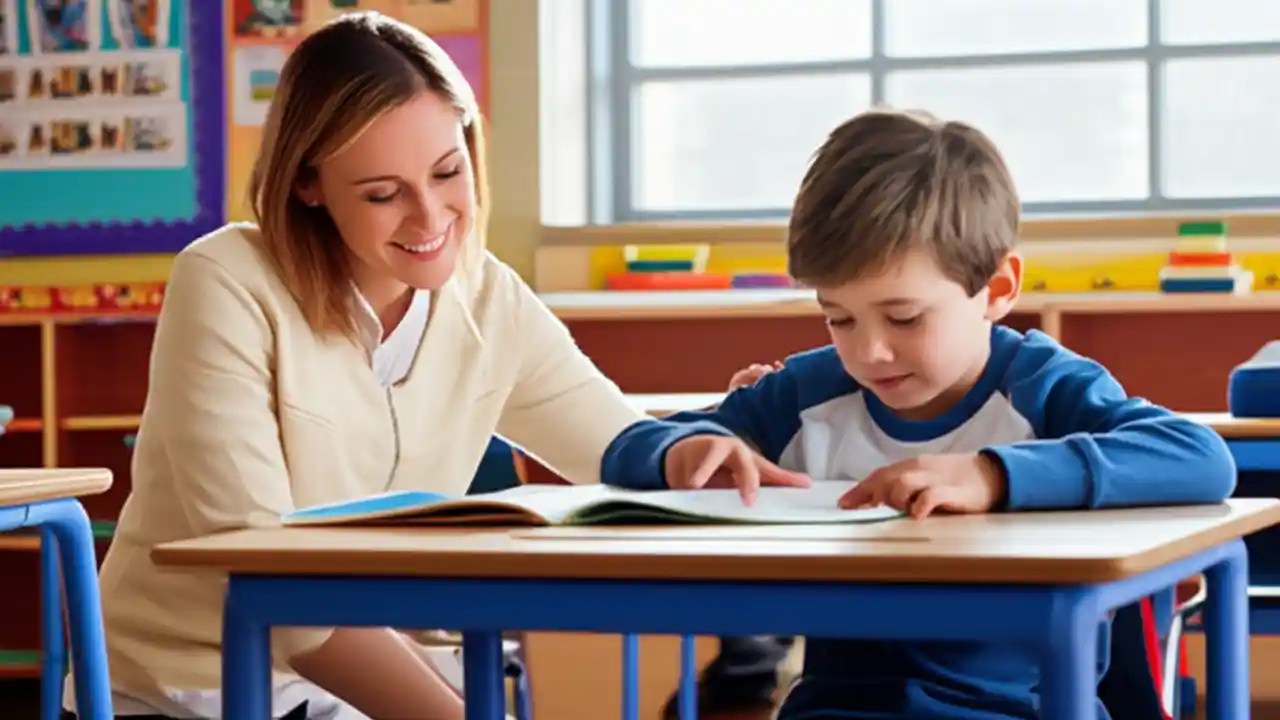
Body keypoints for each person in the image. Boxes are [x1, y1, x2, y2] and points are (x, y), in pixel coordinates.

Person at [62, 12, 807, 720]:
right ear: (307, 184)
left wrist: (685, 450)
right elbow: (268, 574)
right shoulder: (227, 279)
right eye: (383, 194)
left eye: (449, 173)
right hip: (186, 688)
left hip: (360, 674)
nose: (430, 220)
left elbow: (608, 437)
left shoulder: (487, 297)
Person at [640, 107, 1237, 719]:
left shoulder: (1041, 387)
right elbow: (637, 447)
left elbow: (1201, 458)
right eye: (838, 317)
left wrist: (992, 475)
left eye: (904, 317)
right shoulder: (808, 392)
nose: (868, 351)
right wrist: (687, 448)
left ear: (998, 289)